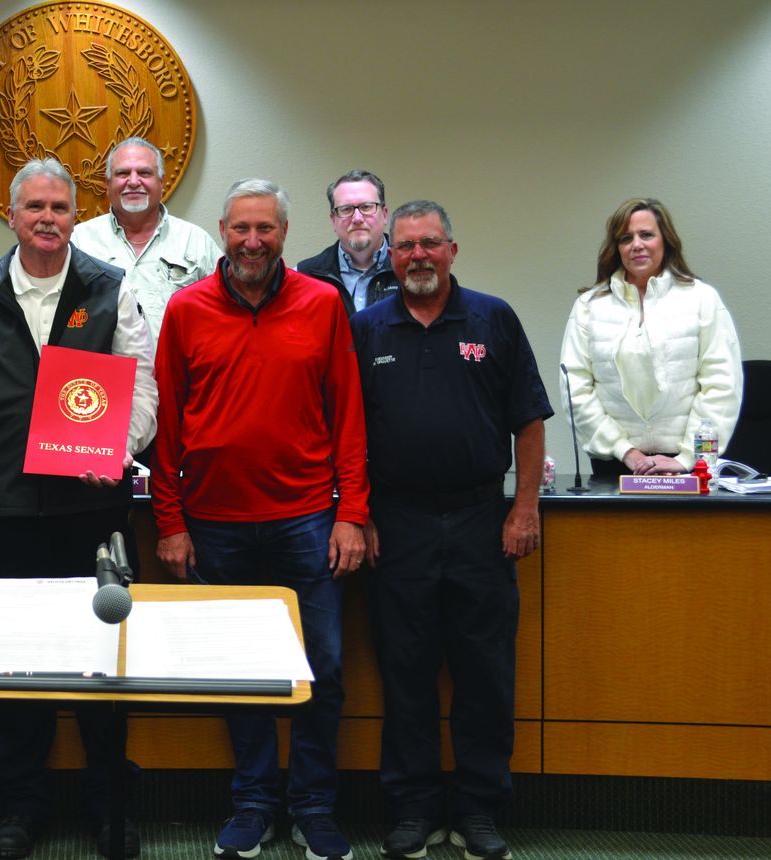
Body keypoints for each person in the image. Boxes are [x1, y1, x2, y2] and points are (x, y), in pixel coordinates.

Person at [0, 158, 156, 860]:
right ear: (11, 216)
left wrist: (114, 450)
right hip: (6, 512)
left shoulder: (109, 286)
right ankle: (20, 809)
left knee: (104, 664)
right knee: (19, 669)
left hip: (90, 512)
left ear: (76, 214)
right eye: (34, 206)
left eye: (60, 207)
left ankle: (110, 809)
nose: (47, 218)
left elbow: (144, 387)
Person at [153, 178, 367, 860]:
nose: (252, 241)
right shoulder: (186, 310)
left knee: (323, 668)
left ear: (284, 233)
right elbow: (166, 427)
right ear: (222, 230)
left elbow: (349, 415)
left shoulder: (323, 303)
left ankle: (312, 806)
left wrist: (352, 513)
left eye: (266, 229)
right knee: (238, 669)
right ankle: (252, 801)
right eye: (241, 228)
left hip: (308, 518)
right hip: (215, 523)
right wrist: (171, 522)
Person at [350, 200, 551, 860]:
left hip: (479, 522)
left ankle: (479, 809)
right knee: (404, 674)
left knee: (484, 672)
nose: (417, 257)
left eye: (429, 244)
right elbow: (346, 431)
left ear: (452, 250)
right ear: (392, 254)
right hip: (397, 524)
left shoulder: (492, 319)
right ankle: (411, 808)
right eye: (405, 247)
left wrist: (524, 509)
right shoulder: (367, 328)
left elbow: (528, 420)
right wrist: (360, 513)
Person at [558, 197, 742, 477]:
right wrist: (625, 451)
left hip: (686, 465)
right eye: (626, 238)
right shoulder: (589, 306)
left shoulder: (702, 298)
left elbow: (721, 383)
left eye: (646, 235)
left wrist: (687, 458)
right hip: (615, 462)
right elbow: (576, 388)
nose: (637, 245)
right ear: (616, 247)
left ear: (665, 240)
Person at [71, 137, 221, 339]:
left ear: (161, 182)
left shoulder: (196, 242)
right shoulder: (79, 241)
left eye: (144, 173)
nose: (133, 182)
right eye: (123, 173)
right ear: (108, 184)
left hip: (177, 369)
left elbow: (225, 312)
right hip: (98, 370)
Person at [293, 170, 399, 316]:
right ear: (333, 220)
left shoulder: (409, 268)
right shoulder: (303, 276)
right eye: (346, 209)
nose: (357, 218)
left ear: (385, 214)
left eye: (367, 207)